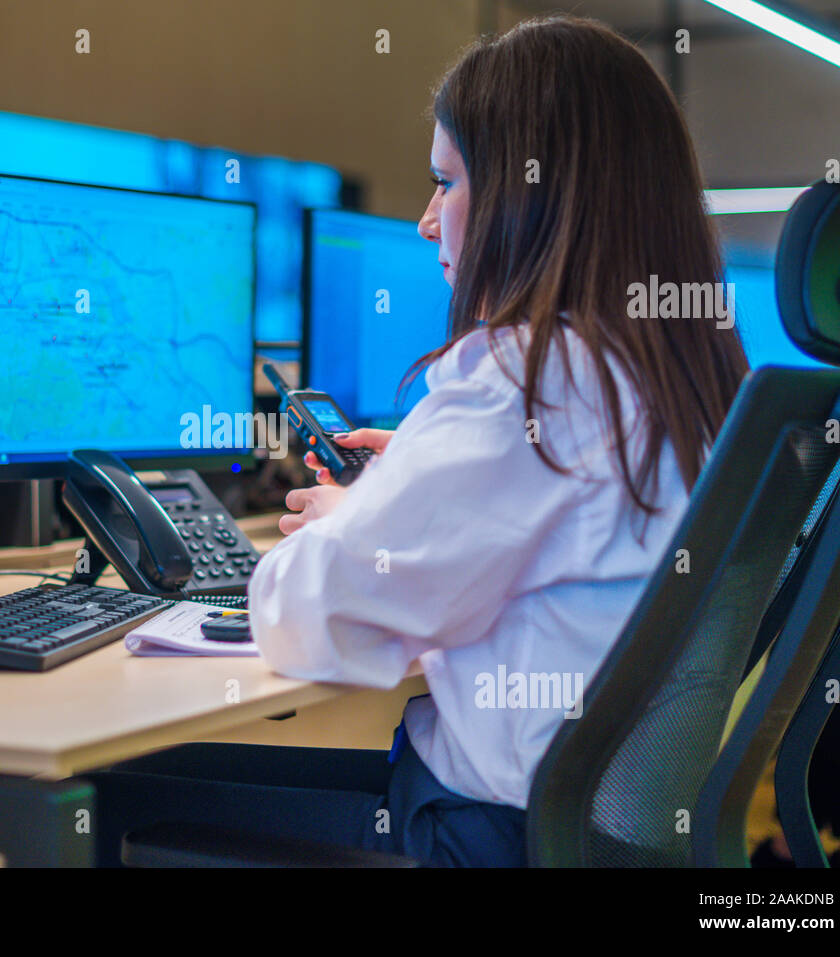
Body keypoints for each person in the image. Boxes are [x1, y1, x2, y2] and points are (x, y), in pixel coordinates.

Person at [87, 14, 749, 867]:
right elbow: (551, 532)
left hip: (481, 837)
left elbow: (305, 615)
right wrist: (416, 487)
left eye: (446, 182)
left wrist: (343, 517)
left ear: (530, 195)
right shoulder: (676, 377)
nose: (429, 221)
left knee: (115, 789)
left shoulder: (531, 375)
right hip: (582, 836)